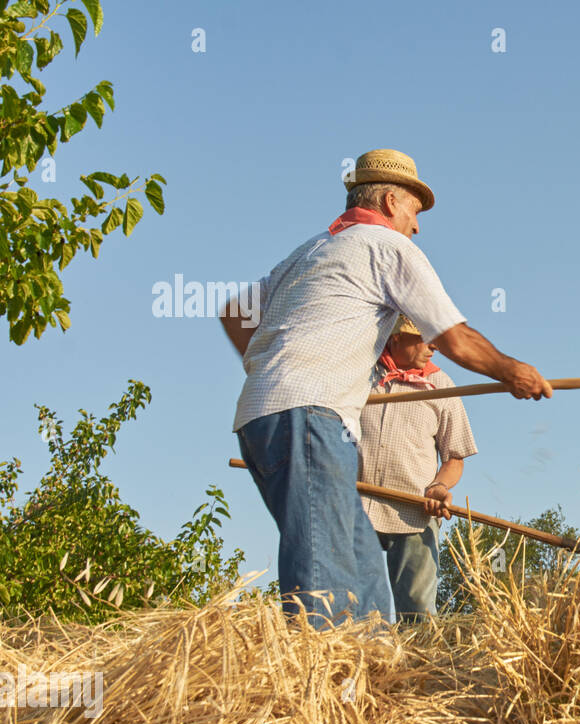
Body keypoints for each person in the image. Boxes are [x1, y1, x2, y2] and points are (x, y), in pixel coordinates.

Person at [219, 148, 550, 626]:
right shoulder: (388, 247)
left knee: (366, 579)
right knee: (325, 577)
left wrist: (266, 366)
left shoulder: (312, 250)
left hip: (266, 417)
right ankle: (318, 686)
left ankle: (373, 681)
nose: (417, 227)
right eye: (415, 213)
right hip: (310, 414)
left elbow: (235, 313)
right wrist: (512, 370)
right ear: (392, 200)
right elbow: (452, 335)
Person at [358, 315, 475, 620]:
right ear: (396, 337)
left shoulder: (442, 386)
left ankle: (418, 667)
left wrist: (439, 487)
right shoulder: (359, 374)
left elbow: (454, 457)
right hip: (355, 508)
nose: (434, 347)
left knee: (418, 613)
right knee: (352, 610)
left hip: (413, 511)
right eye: (425, 337)